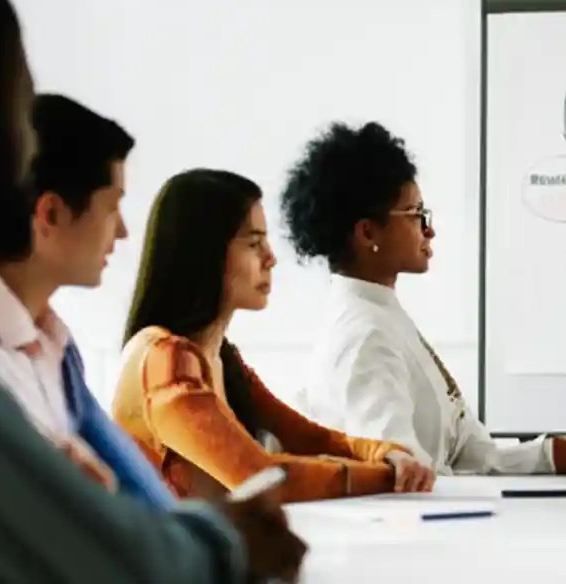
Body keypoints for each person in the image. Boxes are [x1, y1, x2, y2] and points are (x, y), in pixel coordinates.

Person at [0, 0, 305, 583]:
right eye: (18, 101)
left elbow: (128, 516)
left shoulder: (57, 346)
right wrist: (223, 537)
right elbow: (120, 551)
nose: (122, 232)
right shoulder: (158, 359)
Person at [282, 122, 566, 476]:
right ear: (367, 233)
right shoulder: (365, 337)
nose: (429, 229)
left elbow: (469, 454)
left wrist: (556, 455)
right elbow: (405, 481)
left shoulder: (381, 314)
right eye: (416, 214)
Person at [113, 168, 436, 502]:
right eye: (254, 243)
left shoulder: (222, 357)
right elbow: (261, 478)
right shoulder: (165, 360)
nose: (271, 258)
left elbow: (311, 439)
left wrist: (385, 453)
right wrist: (388, 475)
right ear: (204, 253)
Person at [0, 92, 176, 506]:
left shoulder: (57, 348)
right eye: (112, 207)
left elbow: (147, 501)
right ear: (51, 214)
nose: (123, 232)